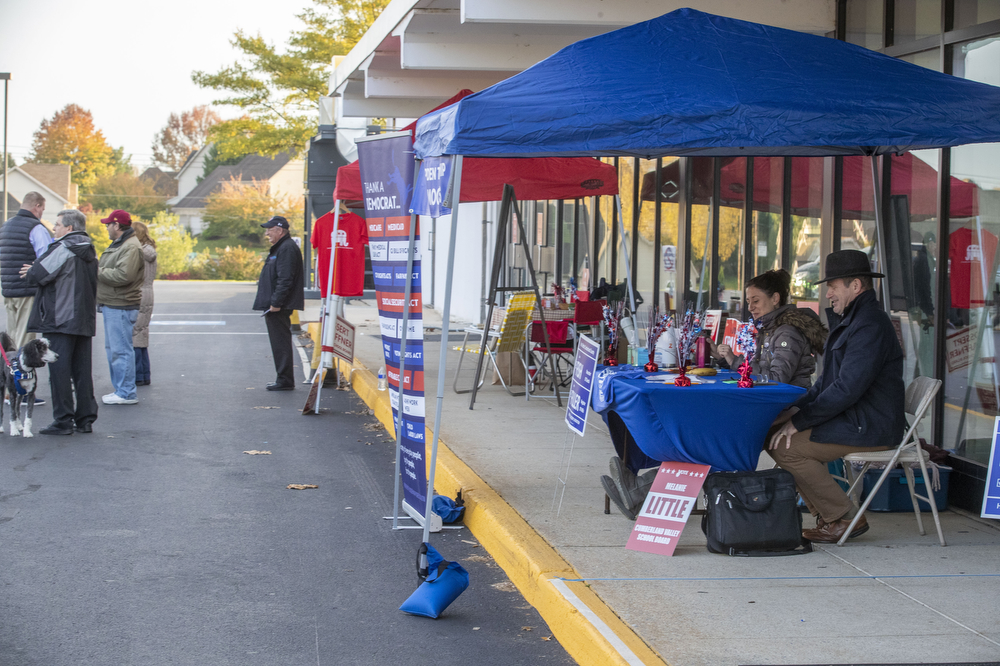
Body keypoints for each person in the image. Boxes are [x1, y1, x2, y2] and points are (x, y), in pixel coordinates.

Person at [768, 249, 906, 543]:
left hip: (870, 425)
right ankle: (830, 517)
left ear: (855, 286)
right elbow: (825, 386)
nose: (828, 294)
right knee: (778, 435)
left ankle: (843, 518)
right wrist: (792, 409)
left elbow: (847, 389)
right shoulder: (854, 321)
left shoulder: (868, 324)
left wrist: (801, 421)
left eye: (832, 286)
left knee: (786, 447)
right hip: (858, 418)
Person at [19, 209, 99, 435]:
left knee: (60, 371)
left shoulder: (64, 248)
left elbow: (39, 274)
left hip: (61, 318)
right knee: (82, 371)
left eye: (57, 225)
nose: (53, 229)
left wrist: (32, 270)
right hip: (84, 318)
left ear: (69, 228)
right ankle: (85, 419)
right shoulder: (90, 250)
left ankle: (63, 420)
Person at [712, 269, 828, 388]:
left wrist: (735, 362)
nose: (750, 308)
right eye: (748, 302)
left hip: (789, 404)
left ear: (775, 299)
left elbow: (777, 379)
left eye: (756, 301)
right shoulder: (768, 328)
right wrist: (722, 358)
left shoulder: (787, 332)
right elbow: (759, 370)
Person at [96, 210, 144, 405]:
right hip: (115, 303)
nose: (106, 227)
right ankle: (121, 390)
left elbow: (124, 276)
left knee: (120, 350)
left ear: (117, 225)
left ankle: (126, 392)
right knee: (115, 349)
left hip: (121, 304)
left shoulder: (130, 247)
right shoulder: (123, 244)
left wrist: (96, 271)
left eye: (108, 224)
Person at [253, 216, 304, 390]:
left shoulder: (286, 248)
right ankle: (283, 379)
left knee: (280, 342)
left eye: (269, 229)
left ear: (280, 230)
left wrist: (276, 303)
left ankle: (285, 380)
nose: (266, 233)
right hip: (276, 305)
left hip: (279, 306)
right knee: (278, 342)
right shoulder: (282, 247)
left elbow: (285, 279)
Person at [1, 191, 53, 349]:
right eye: (43, 209)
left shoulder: (6, 226)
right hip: (27, 290)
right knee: (24, 340)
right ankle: (20, 373)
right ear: (37, 206)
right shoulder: (36, 228)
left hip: (8, 290)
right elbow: (46, 260)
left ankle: (9, 370)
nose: (42, 214)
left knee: (11, 338)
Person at [130, 221, 157, 386]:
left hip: (138, 292)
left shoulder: (139, 252)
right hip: (148, 292)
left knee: (135, 333)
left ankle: (138, 374)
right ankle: (144, 373)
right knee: (141, 332)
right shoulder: (150, 251)